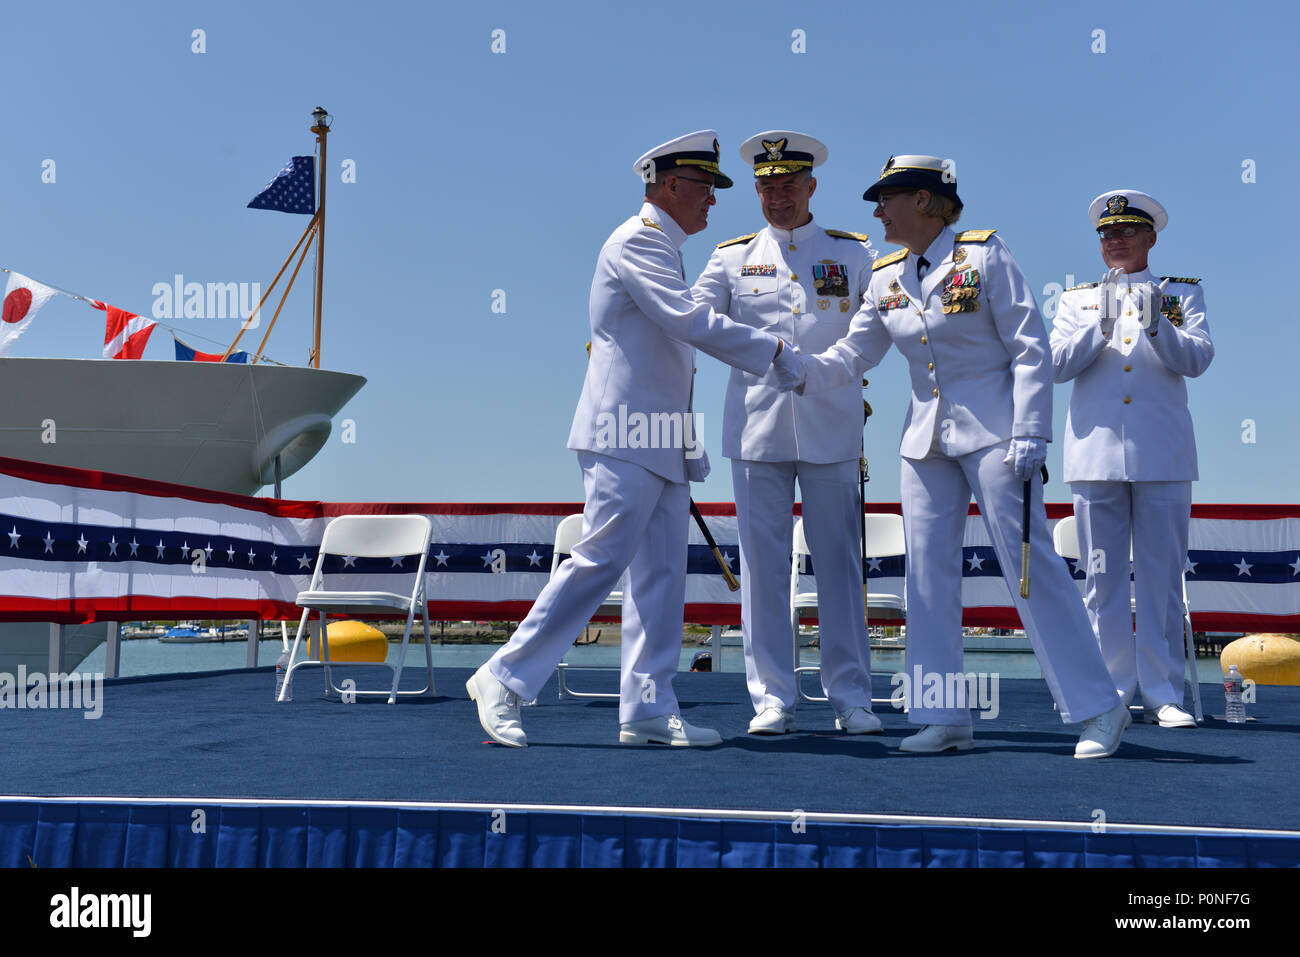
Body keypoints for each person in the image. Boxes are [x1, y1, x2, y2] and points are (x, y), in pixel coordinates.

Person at [777, 155, 1132, 758]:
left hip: (997, 434)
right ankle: (944, 716)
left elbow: (1029, 349)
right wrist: (794, 366)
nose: (876, 210)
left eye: (886, 198)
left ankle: (1099, 707)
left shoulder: (986, 256)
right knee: (927, 579)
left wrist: (1031, 432)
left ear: (923, 201)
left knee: (1031, 569)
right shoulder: (887, 274)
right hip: (925, 441)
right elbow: (853, 355)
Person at [466, 131, 803, 748]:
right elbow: (689, 320)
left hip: (659, 438)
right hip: (623, 433)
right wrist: (775, 351)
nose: (711, 201)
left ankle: (647, 704)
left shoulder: (664, 249)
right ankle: (503, 676)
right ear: (669, 186)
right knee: (601, 559)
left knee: (660, 574)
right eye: (704, 188)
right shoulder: (639, 242)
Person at [690, 130, 880, 735]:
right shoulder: (730, 257)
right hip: (756, 429)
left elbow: (872, 334)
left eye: (789, 185)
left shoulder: (853, 252)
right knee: (764, 568)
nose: (778, 197)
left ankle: (851, 697)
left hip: (833, 425)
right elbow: (691, 320)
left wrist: (821, 374)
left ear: (812, 187)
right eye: (767, 186)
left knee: (839, 567)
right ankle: (772, 697)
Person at [1050, 190, 1213, 727]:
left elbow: (1196, 360)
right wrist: (1099, 327)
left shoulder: (1181, 293)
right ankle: (1111, 690)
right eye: (1106, 233)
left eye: (1126, 231)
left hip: (1162, 455)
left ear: (1151, 238)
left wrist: (1155, 326)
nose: (1115, 240)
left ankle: (1162, 692)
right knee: (1103, 580)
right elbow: (1054, 366)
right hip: (1095, 457)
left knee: (1163, 579)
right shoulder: (1077, 300)